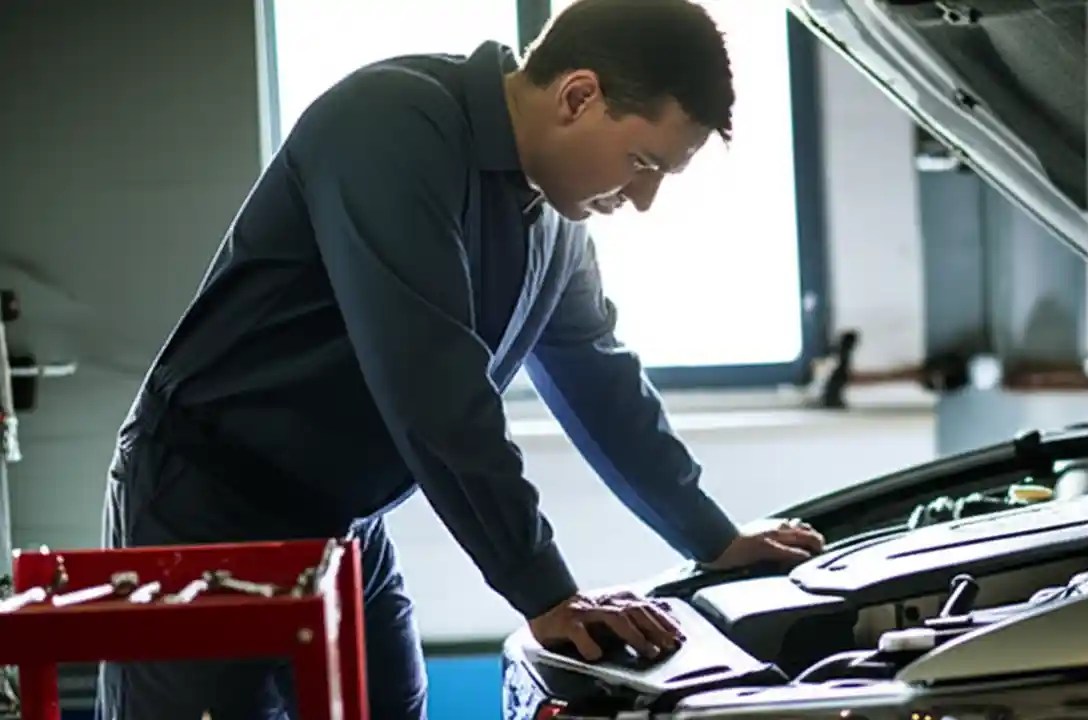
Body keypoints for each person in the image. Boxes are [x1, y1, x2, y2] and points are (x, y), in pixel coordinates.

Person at [96, 0, 826, 717]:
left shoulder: (557, 222)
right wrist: (544, 590)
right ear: (579, 95)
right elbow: (435, 389)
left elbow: (602, 382)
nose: (643, 199)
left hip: (345, 521)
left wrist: (712, 536)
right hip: (204, 505)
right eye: (641, 162)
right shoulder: (391, 127)